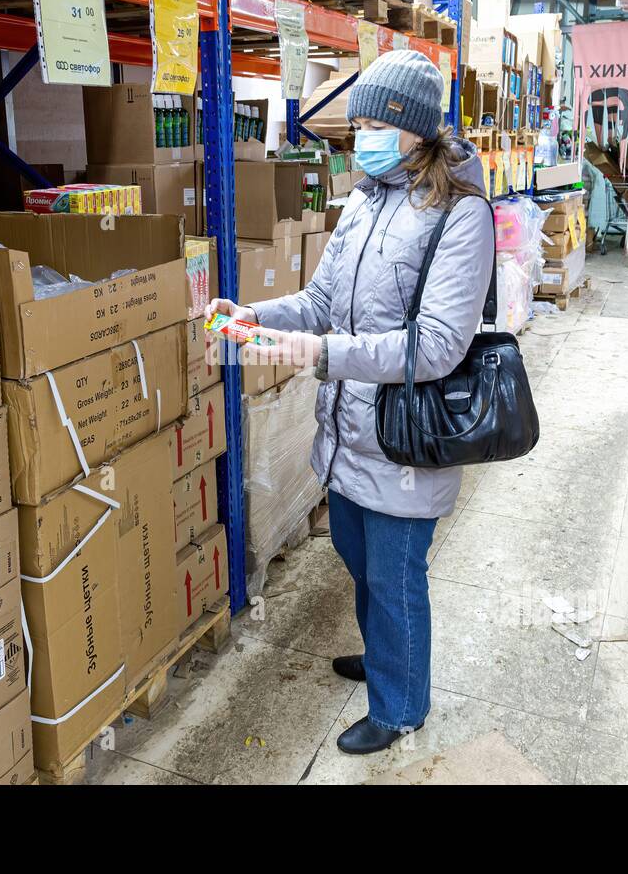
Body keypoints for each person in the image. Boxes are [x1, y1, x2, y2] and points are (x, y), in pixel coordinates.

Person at [207, 49, 495, 755]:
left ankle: (400, 707)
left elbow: (434, 346)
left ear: (412, 128)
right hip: (348, 435)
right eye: (355, 122)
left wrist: (324, 354)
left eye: (370, 122)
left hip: (405, 441)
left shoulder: (461, 214)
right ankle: (386, 658)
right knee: (361, 561)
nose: (357, 135)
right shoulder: (366, 198)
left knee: (396, 580)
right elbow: (322, 300)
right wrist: (255, 314)